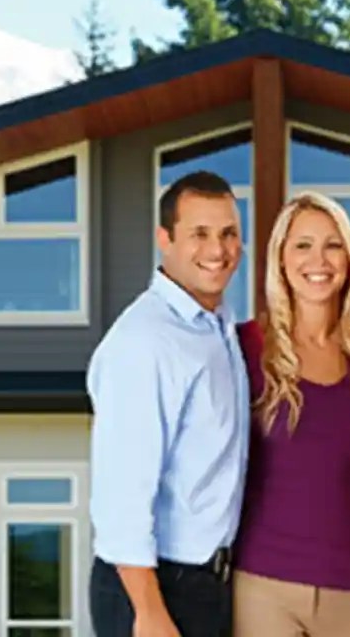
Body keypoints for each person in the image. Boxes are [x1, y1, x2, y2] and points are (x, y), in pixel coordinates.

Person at [86, 170, 250, 637]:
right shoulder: (146, 340)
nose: (217, 250)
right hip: (154, 588)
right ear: (165, 238)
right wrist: (150, 612)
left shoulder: (214, 327)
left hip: (205, 583)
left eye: (228, 234)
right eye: (199, 234)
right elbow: (122, 492)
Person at [230, 191, 350, 637]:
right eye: (303, 245)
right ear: (280, 258)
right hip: (261, 582)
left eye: (333, 245)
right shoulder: (246, 349)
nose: (319, 259)